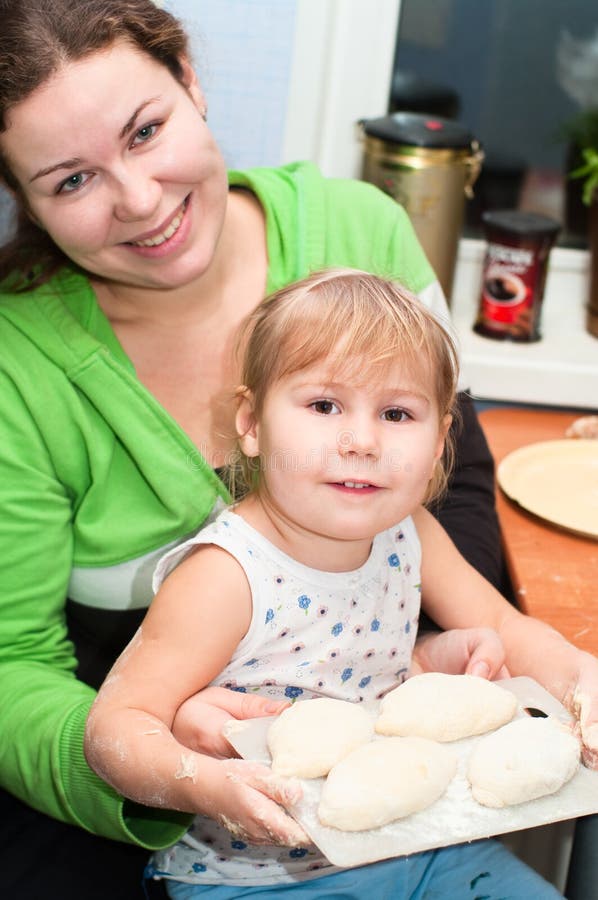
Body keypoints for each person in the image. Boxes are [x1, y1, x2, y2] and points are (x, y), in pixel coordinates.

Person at [0, 1, 505, 896]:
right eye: (71, 181)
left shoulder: (361, 232)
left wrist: (425, 678)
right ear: (25, 202)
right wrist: (161, 766)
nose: (141, 200)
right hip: (122, 800)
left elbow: (453, 490)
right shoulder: (17, 364)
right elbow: (11, 670)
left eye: (147, 131)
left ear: (190, 81)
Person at [84, 268, 598, 899]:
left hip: (425, 843)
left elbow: (502, 626)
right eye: (325, 405)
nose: (361, 440)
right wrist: (201, 783)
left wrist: (580, 677)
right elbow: (115, 727)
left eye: (396, 412)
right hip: (262, 880)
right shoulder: (225, 576)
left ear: (440, 441)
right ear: (250, 422)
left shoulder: (409, 533)